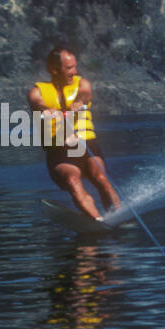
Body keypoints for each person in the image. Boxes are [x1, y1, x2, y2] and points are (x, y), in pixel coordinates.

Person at [28, 46, 120, 221]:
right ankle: (98, 221)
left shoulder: (82, 84)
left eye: (75, 66)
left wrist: (78, 103)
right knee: (72, 181)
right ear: (55, 70)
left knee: (100, 177)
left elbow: (85, 94)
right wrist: (47, 110)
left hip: (86, 143)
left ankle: (118, 215)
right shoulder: (37, 91)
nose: (75, 71)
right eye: (69, 68)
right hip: (59, 150)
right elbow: (36, 103)